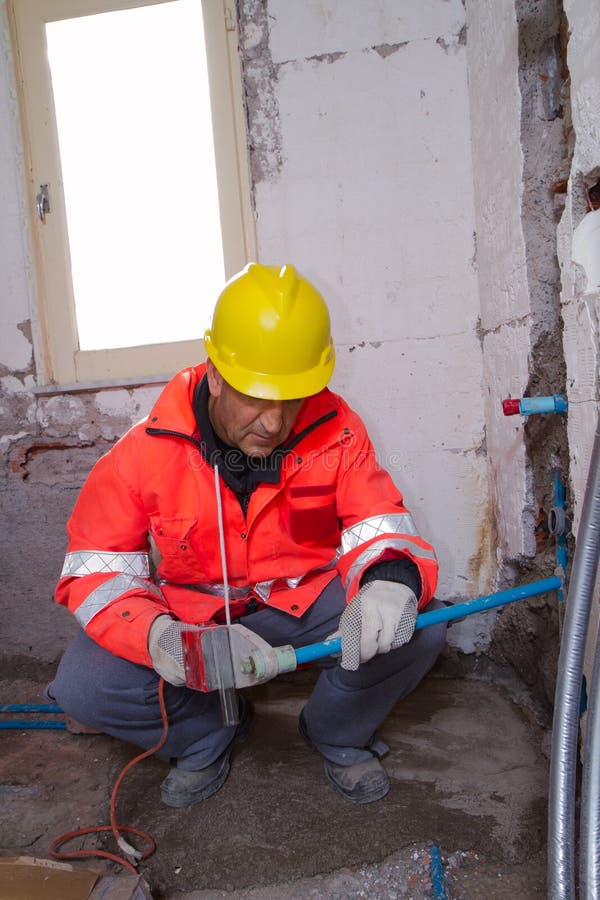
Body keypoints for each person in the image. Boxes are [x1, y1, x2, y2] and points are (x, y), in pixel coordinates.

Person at [46, 262, 446, 807]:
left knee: (419, 626)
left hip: (303, 608)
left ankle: (337, 730)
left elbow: (376, 523)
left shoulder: (338, 430)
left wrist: (390, 578)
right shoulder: (143, 454)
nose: (275, 422)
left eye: (293, 396)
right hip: (198, 621)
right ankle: (209, 732)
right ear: (215, 374)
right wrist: (162, 638)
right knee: (85, 687)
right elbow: (98, 570)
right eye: (256, 397)